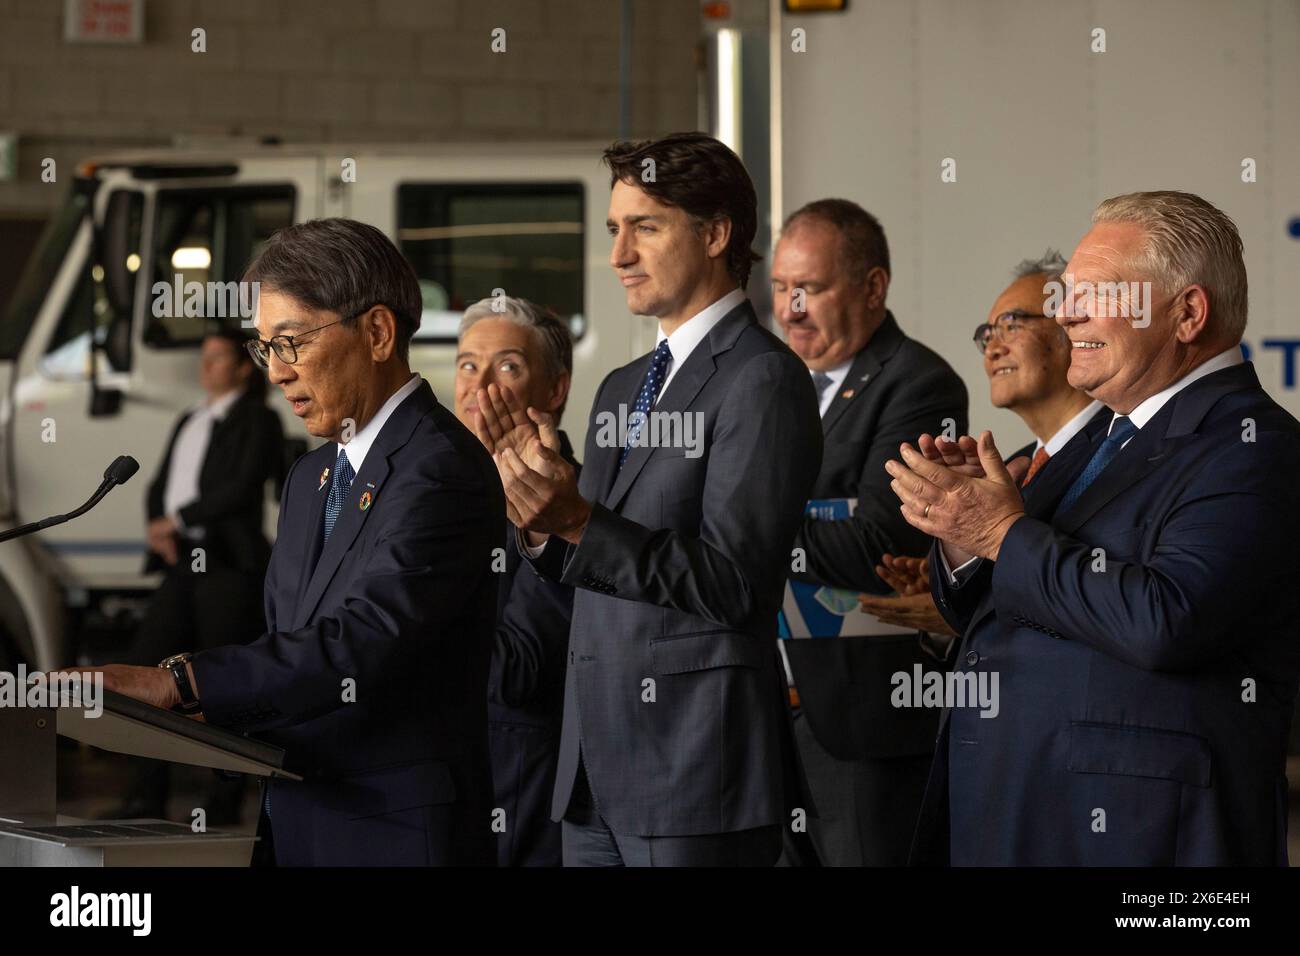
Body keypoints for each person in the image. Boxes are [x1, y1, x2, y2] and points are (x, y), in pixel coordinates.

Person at [74, 218, 503, 866]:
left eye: (292, 343)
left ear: (379, 332)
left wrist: (182, 684)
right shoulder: (311, 476)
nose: (275, 372)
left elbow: (359, 643)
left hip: (392, 833)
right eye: (263, 347)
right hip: (296, 818)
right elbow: (289, 644)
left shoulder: (441, 467)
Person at [888, 191, 1300, 865]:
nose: (1064, 312)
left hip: (1138, 834)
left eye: (1094, 293)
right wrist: (964, 531)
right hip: (1024, 809)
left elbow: (1167, 619)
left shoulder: (1254, 446)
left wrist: (1000, 533)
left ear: (1188, 313)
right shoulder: (1100, 439)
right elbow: (987, 608)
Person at [484, 132, 822, 866]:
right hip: (591, 771)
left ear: (717, 234)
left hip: (694, 767)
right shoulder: (619, 384)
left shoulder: (763, 379)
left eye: (645, 226)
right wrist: (538, 525)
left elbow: (738, 585)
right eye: (614, 229)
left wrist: (577, 517)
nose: (618, 255)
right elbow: (593, 563)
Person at [769, 199, 967, 866]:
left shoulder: (919, 383)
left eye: (811, 288)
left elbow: (882, 543)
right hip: (765, 714)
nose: (791, 307)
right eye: (780, 288)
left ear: (873, 287)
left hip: (861, 721)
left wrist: (743, 529)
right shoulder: (772, 382)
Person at [860, 251, 1104, 647]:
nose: (992, 349)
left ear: (1071, 326)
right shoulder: (1014, 467)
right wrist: (959, 575)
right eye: (987, 334)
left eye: (1011, 325)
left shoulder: (1120, 449)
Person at [114, 326, 283, 822]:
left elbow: (240, 486)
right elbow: (160, 481)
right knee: (145, 669)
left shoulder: (259, 419)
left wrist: (180, 518)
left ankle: (224, 803)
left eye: (216, 358)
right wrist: (156, 523)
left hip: (228, 566)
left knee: (218, 682)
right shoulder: (190, 417)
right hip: (180, 563)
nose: (204, 366)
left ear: (244, 367)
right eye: (203, 357)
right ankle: (146, 797)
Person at [454, 296, 578, 867]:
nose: (480, 387)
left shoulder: (567, 503)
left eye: (508, 366)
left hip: (517, 782)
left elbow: (520, 670)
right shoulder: (441, 486)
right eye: (467, 365)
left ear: (554, 391)